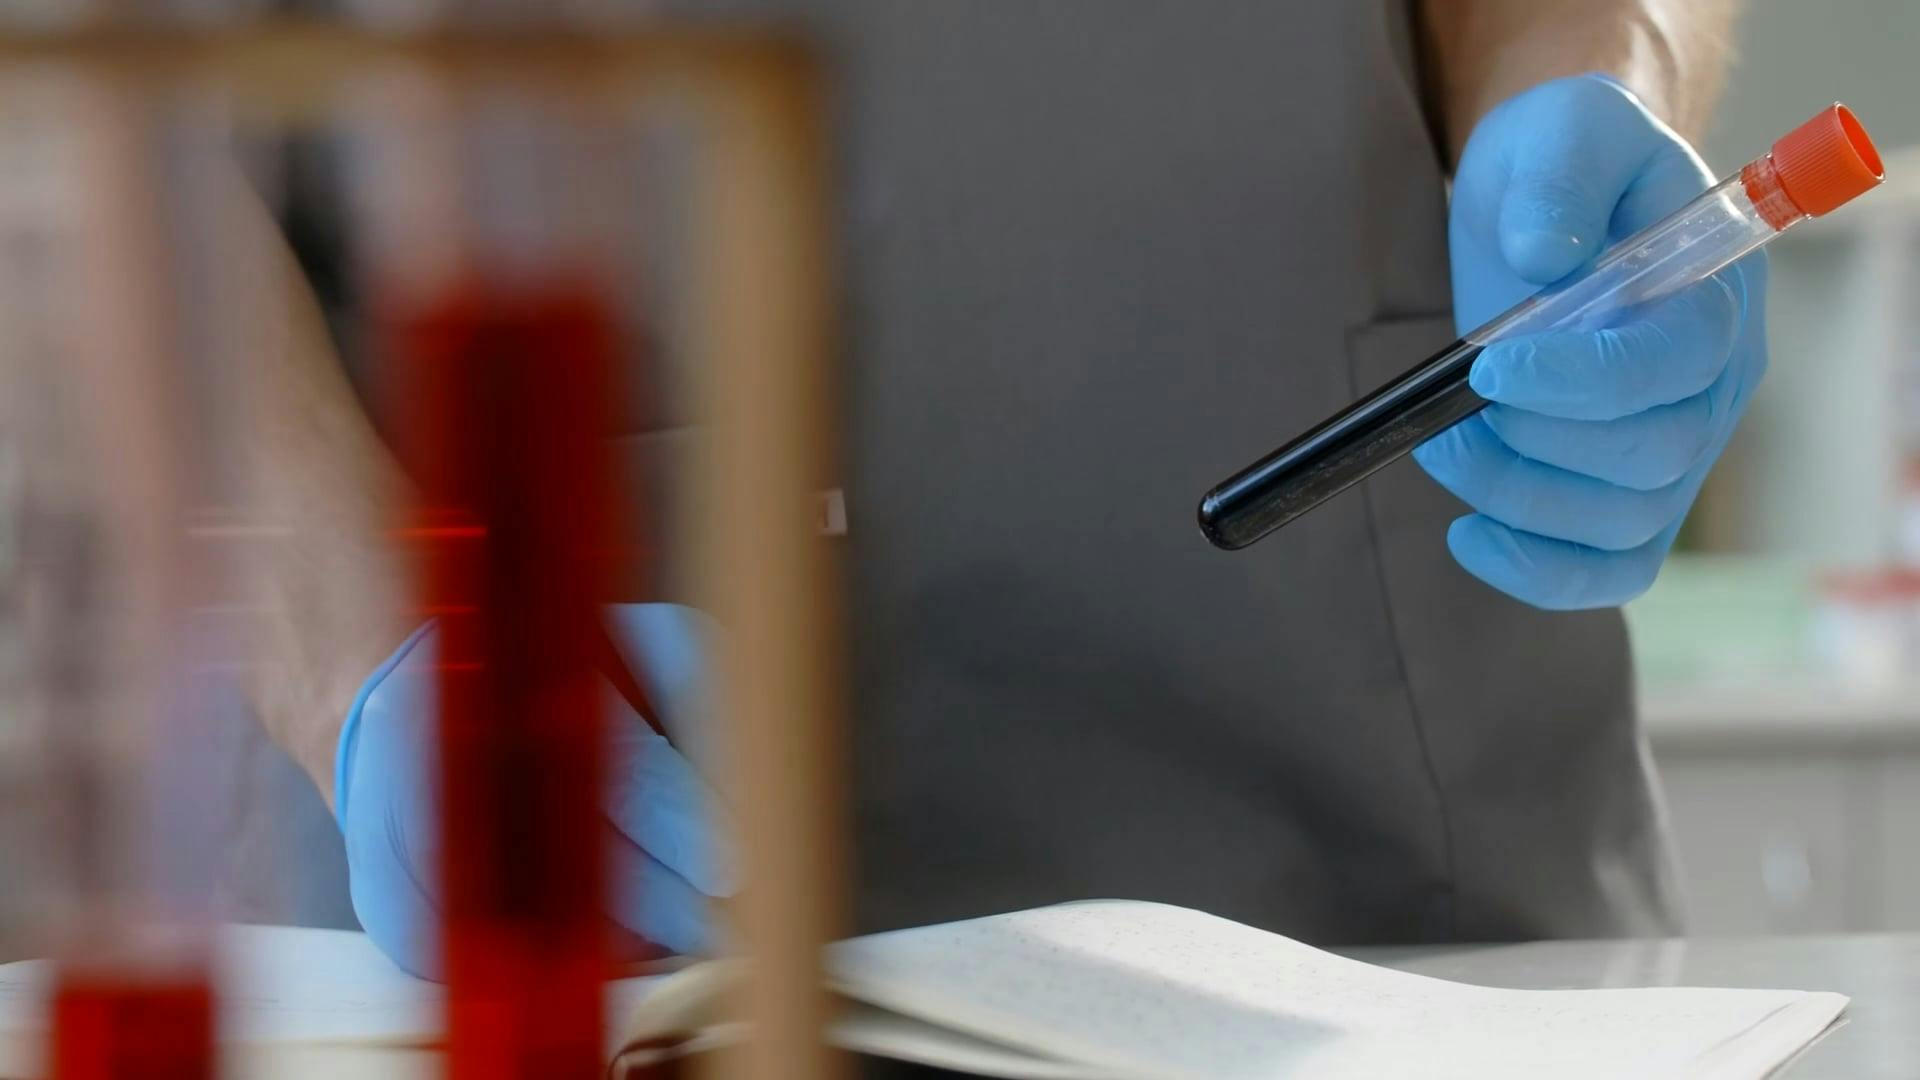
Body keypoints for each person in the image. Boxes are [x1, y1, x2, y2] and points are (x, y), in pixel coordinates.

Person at [231, 0, 1761, 976]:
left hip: (1394, 903)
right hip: (558, 886)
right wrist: (349, 657)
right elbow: (77, 134)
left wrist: (1596, 73)